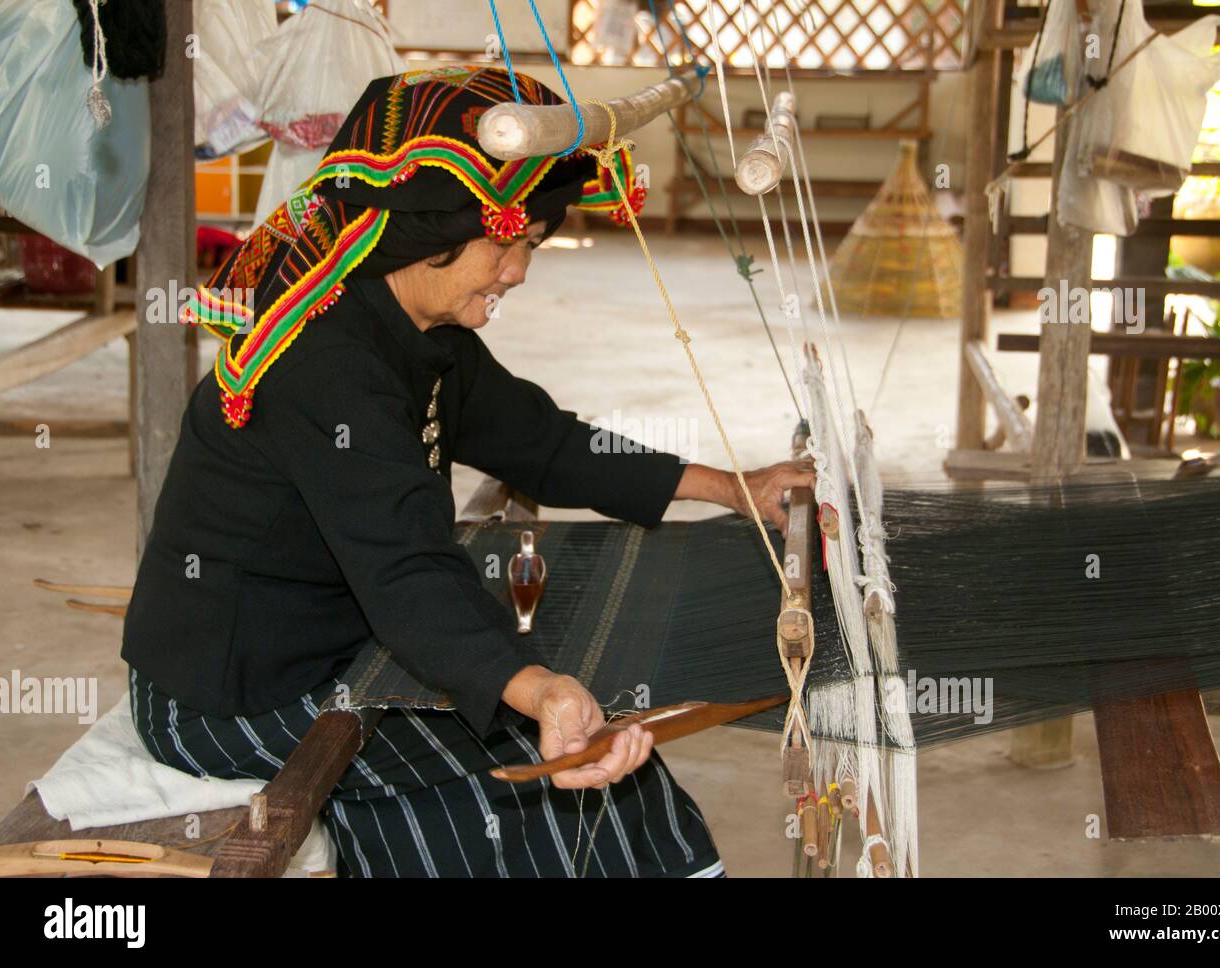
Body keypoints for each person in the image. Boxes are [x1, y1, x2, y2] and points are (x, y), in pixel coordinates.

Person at [122, 66, 813, 878]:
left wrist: (737, 489)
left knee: (602, 770)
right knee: (552, 777)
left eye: (530, 245)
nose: (518, 272)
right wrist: (542, 690)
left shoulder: (420, 330)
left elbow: (547, 444)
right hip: (232, 692)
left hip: (341, 642)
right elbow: (407, 573)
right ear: (426, 234)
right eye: (506, 242)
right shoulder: (324, 360)